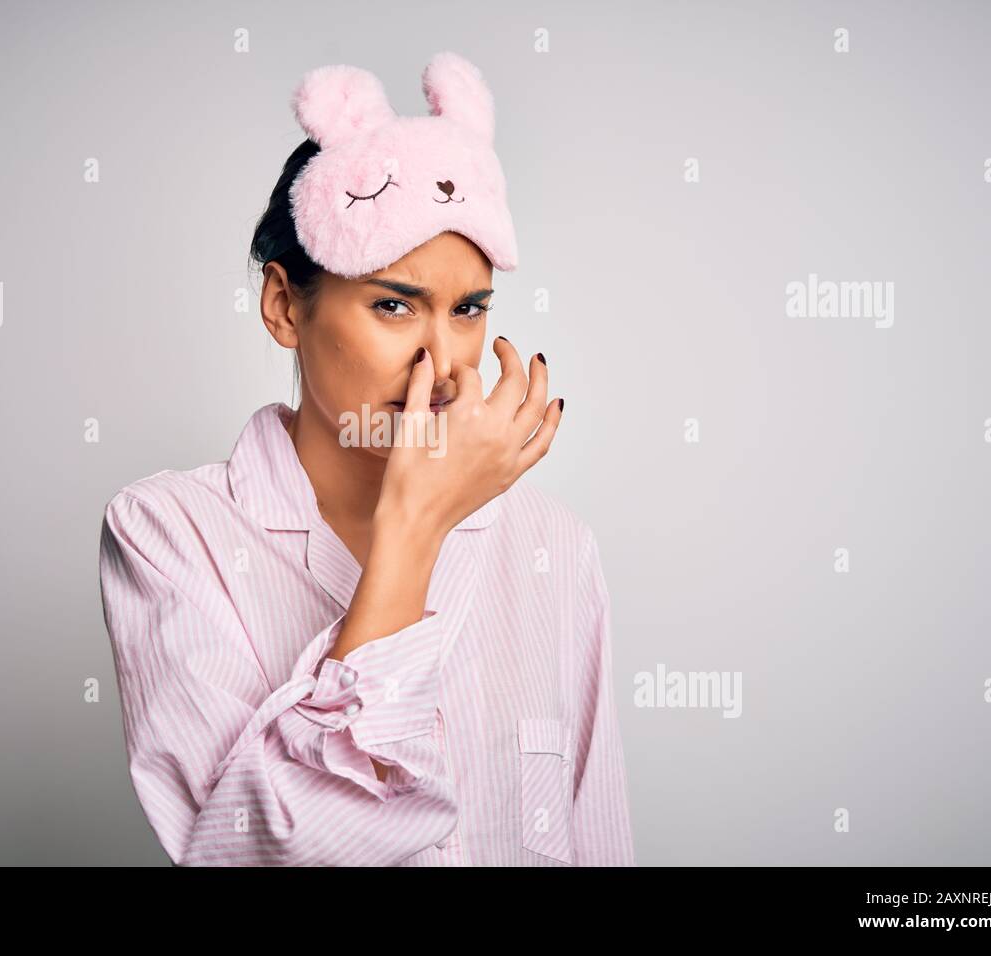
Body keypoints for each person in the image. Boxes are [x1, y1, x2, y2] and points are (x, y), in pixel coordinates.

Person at [98, 51, 634, 866]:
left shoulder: (554, 549)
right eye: (393, 304)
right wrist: (413, 531)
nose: (445, 362)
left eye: (468, 310)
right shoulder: (169, 534)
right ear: (284, 306)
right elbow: (254, 854)